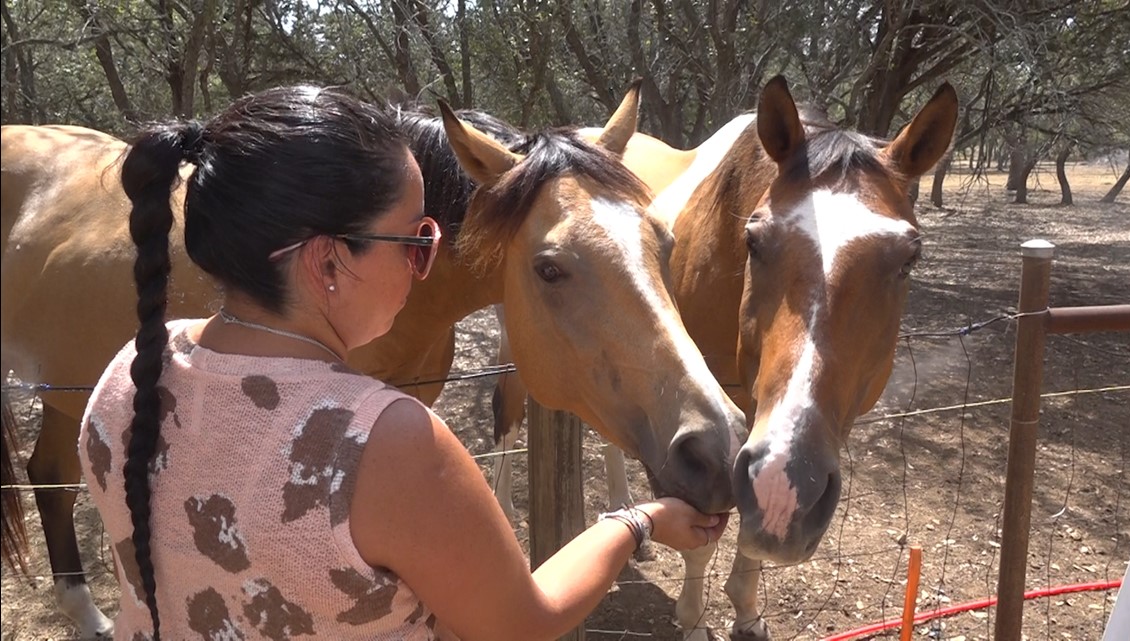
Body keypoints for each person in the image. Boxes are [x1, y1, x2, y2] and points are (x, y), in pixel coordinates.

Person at [78, 85, 727, 641]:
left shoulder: (128, 373)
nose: (428, 265)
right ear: (326, 262)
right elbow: (523, 622)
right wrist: (637, 522)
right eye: (417, 241)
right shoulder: (387, 442)